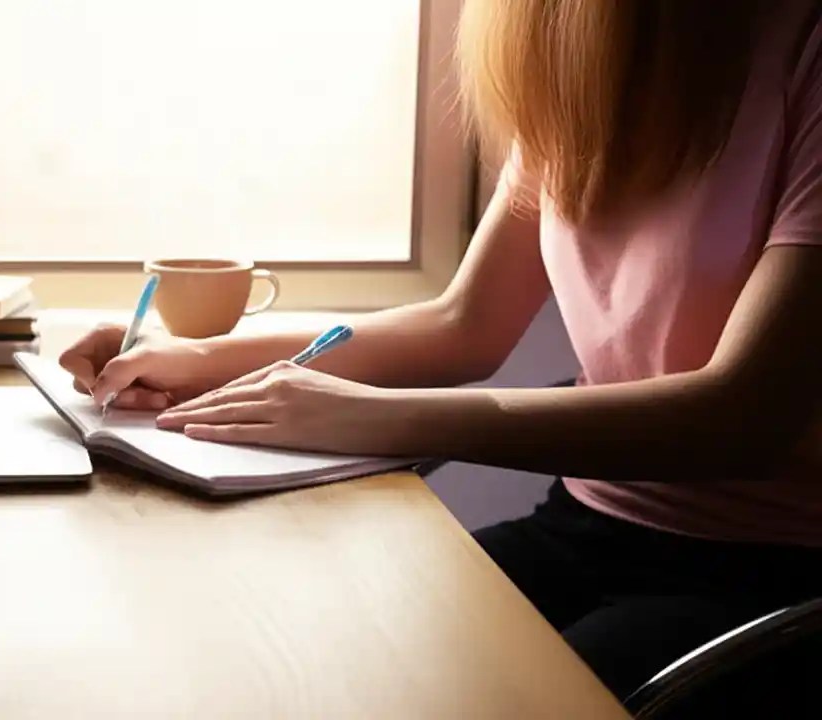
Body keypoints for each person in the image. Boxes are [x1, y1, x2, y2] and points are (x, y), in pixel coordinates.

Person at [58, 0, 822, 699]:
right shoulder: (592, 60)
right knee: (350, 652)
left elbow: (744, 414)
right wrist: (197, 358)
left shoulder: (803, 52)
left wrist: (377, 418)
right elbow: (463, 324)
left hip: (766, 566)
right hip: (589, 521)